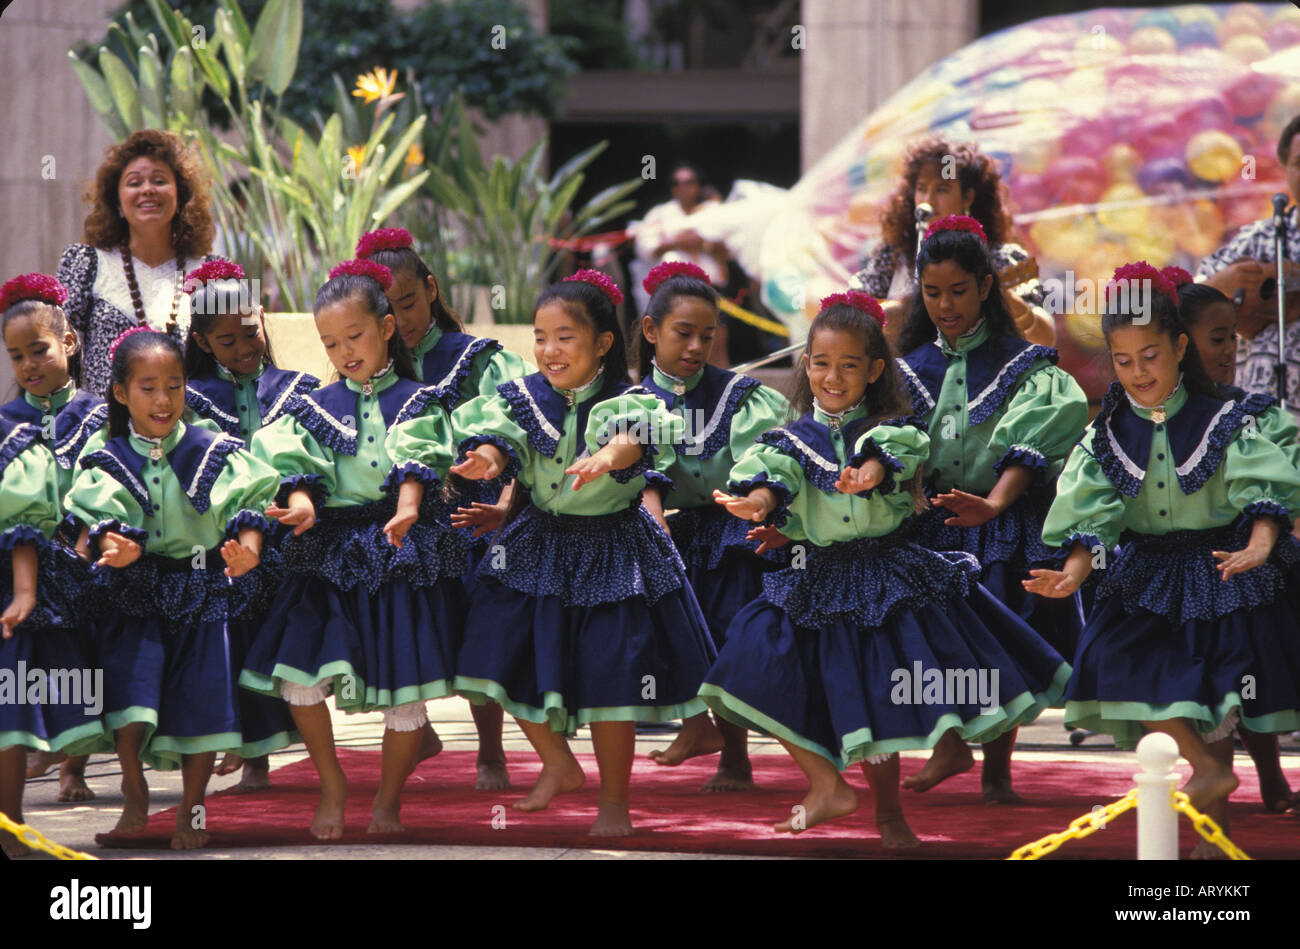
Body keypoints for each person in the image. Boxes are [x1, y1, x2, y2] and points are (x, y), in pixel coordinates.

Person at [702, 292, 1068, 847]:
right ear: (806, 365)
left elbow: (884, 461)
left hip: (885, 574)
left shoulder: (891, 430)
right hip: (818, 578)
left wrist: (867, 474)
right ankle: (827, 784)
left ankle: (892, 815)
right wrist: (753, 506)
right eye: (822, 363)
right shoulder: (789, 441)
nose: (833, 376)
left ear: (874, 370)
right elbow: (769, 482)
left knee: (879, 695)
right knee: (740, 665)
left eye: (849, 365)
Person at [1026, 262, 1300, 857]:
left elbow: (1262, 484)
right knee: (1110, 658)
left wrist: (1260, 543)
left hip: (1223, 568)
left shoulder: (1223, 418)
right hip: (1148, 572)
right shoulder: (1110, 430)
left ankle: (1214, 836)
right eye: (1123, 362)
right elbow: (1092, 511)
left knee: (1218, 699)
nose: (1137, 373)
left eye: (1150, 356)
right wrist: (1073, 570)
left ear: (1179, 346)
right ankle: (1204, 768)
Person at [447, 270, 716, 836]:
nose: (549, 349)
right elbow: (501, 441)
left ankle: (614, 803)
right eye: (541, 337)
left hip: (615, 549)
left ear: (603, 343)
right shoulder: (521, 397)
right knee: (491, 652)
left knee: (612, 678)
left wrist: (605, 460)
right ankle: (559, 763)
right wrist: (488, 463)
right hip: (537, 544)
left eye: (565, 336)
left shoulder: (632, 400)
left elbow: (631, 440)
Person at [240, 259, 469, 839]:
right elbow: (297, 467)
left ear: (387, 327)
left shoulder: (420, 399)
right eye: (330, 343)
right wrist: (302, 504)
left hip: (396, 550)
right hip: (327, 552)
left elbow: (418, 462)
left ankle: (388, 801)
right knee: (300, 676)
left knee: (404, 690)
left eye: (355, 336)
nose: (344, 352)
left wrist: (410, 506)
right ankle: (333, 783)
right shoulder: (314, 406)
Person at [65, 327, 280, 850]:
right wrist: (116, 547)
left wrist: (247, 548)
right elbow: (96, 520)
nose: (163, 400)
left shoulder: (212, 450)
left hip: (200, 587)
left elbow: (248, 503)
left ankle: (192, 808)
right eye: (148, 387)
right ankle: (133, 784)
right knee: (130, 696)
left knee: (200, 704)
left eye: (175, 386)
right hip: (133, 591)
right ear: (120, 392)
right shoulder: (106, 457)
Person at [895, 215, 1087, 802]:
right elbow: (893, 444)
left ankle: (998, 765)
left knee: (1000, 637)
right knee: (931, 638)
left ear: (985, 287)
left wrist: (993, 503)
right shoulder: (906, 370)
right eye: (932, 293)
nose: (945, 305)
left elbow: (1036, 439)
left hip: (1001, 523)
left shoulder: (1024, 362)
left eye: (958, 291)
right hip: (932, 527)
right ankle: (950, 743)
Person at [356, 227, 532, 790]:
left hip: (469, 513)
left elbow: (521, 432)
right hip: (405, 513)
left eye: (410, 302)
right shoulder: (371, 366)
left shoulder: (475, 359)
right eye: (389, 309)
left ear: (430, 289)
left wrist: (506, 506)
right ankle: (418, 728)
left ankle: (490, 751)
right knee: (404, 616)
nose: (402, 319)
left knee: (480, 628)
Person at [628, 260, 790, 790]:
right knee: (680, 637)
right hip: (668, 531)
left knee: (731, 637)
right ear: (651, 331)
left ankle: (736, 755)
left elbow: (765, 462)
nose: (696, 347)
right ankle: (703, 730)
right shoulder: (630, 404)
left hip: (731, 533)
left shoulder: (741, 395)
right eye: (683, 334)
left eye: (707, 335)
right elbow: (640, 472)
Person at [182, 259, 317, 791]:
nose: (242, 348)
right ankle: (255, 752)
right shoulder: (190, 398)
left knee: (298, 631)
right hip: (227, 541)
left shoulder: (298, 388)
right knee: (241, 636)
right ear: (201, 340)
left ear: (262, 317)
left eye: (249, 333)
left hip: (293, 532)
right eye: (225, 340)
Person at [1172, 264, 1300, 815]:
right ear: (1179, 344)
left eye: (1234, 338)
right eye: (1218, 338)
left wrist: (1264, 538)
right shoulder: (1155, 416)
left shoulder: (1252, 413)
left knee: (1247, 677)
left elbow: (1278, 479)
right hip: (1184, 570)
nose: (1230, 350)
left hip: (1248, 562)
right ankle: (1217, 802)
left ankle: (1270, 779)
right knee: (1217, 684)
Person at [0, 275, 104, 858]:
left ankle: (100, 780)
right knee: (14, 689)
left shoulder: (102, 415)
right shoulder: (6, 424)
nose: (28, 364)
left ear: (69, 341)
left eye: (38, 349)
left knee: (97, 676)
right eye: (16, 356)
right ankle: (10, 821)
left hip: (98, 569)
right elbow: (14, 513)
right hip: (26, 576)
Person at [56, 129, 219, 397]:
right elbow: (59, 355)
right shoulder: (85, 265)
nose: (147, 190)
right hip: (104, 432)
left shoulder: (212, 274)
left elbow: (236, 359)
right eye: (134, 183)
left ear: (180, 196)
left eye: (159, 180)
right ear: (116, 200)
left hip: (192, 431)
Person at [849, 136, 1054, 346]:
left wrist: (1013, 306)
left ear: (967, 197)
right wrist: (895, 314)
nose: (928, 200)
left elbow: (1045, 339)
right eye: (921, 188)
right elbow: (850, 317)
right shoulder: (893, 255)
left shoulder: (1001, 259)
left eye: (941, 189)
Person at [1197, 115, 1300, 420]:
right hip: (1258, 417)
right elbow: (1189, 295)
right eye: (1299, 162)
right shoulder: (1261, 236)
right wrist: (1220, 283)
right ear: (1286, 169)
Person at [630, 162, 728, 316]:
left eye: (689, 182)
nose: (683, 188)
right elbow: (644, 249)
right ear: (672, 188)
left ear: (698, 186)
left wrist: (703, 245)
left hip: (712, 287)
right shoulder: (660, 214)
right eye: (677, 183)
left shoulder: (713, 211)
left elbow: (730, 249)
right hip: (673, 291)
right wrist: (675, 243)